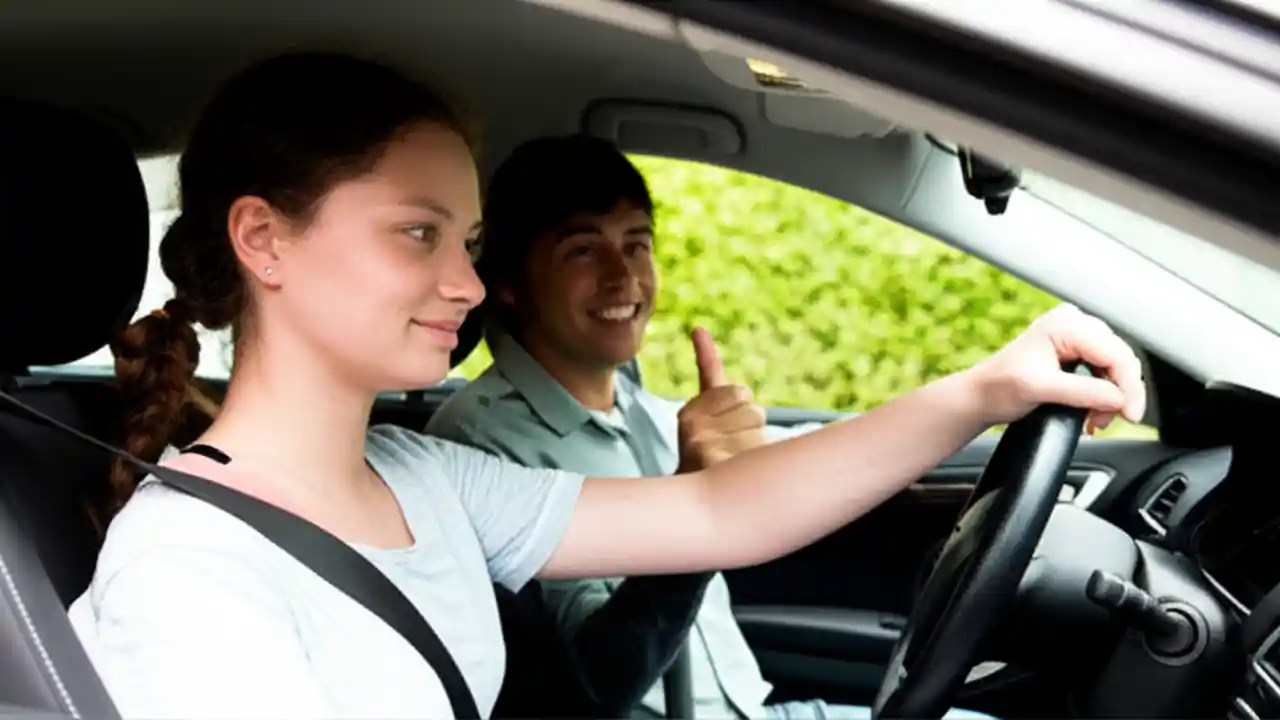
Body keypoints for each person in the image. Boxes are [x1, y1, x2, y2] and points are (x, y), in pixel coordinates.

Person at [67, 51, 1145, 720]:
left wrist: (983, 389)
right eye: (415, 235)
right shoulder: (187, 577)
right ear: (263, 239)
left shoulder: (420, 478)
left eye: (471, 240)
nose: (465, 281)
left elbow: (721, 509)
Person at [426, 135, 987, 720]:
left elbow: (816, 463)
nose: (625, 277)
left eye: (637, 246)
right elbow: (594, 684)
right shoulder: (478, 447)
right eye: (583, 252)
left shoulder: (645, 411)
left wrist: (985, 403)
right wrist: (699, 494)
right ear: (511, 284)